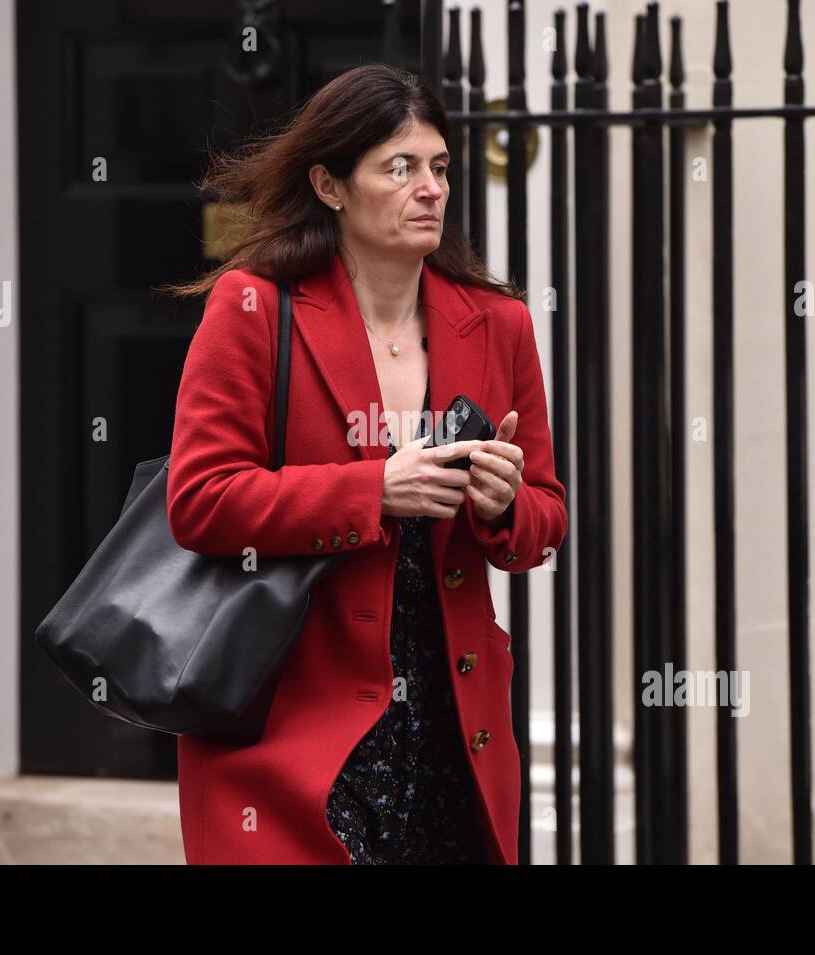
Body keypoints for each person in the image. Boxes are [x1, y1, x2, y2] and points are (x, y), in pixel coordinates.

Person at [163, 63, 567, 864]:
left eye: (440, 168)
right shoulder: (252, 309)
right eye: (400, 167)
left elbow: (546, 518)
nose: (431, 189)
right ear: (331, 184)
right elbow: (201, 501)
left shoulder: (497, 323)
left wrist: (501, 504)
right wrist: (373, 490)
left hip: (454, 728)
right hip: (295, 731)